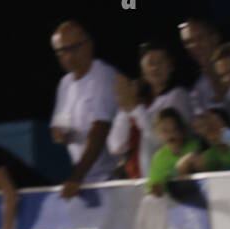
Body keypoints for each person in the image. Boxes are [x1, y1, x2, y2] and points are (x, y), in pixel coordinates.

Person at [50, 20, 119, 197]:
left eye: (73, 48)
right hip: (84, 182)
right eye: (61, 52)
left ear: (88, 45)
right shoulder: (64, 84)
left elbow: (100, 130)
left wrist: (76, 176)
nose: (68, 56)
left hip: (112, 179)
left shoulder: (104, 76)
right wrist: (59, 134)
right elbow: (58, 126)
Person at [108, 40, 193, 177]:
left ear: (171, 66)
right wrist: (125, 108)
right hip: (134, 182)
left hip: (165, 179)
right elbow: (116, 146)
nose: (155, 68)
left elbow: (163, 140)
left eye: (160, 62)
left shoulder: (178, 96)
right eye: (150, 63)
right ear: (143, 70)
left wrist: (135, 108)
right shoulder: (137, 100)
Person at [146, 109, 200, 194]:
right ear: (158, 133)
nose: (171, 134)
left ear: (182, 130)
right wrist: (155, 189)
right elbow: (156, 189)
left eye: (174, 129)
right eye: (165, 131)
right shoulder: (158, 158)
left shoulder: (195, 146)